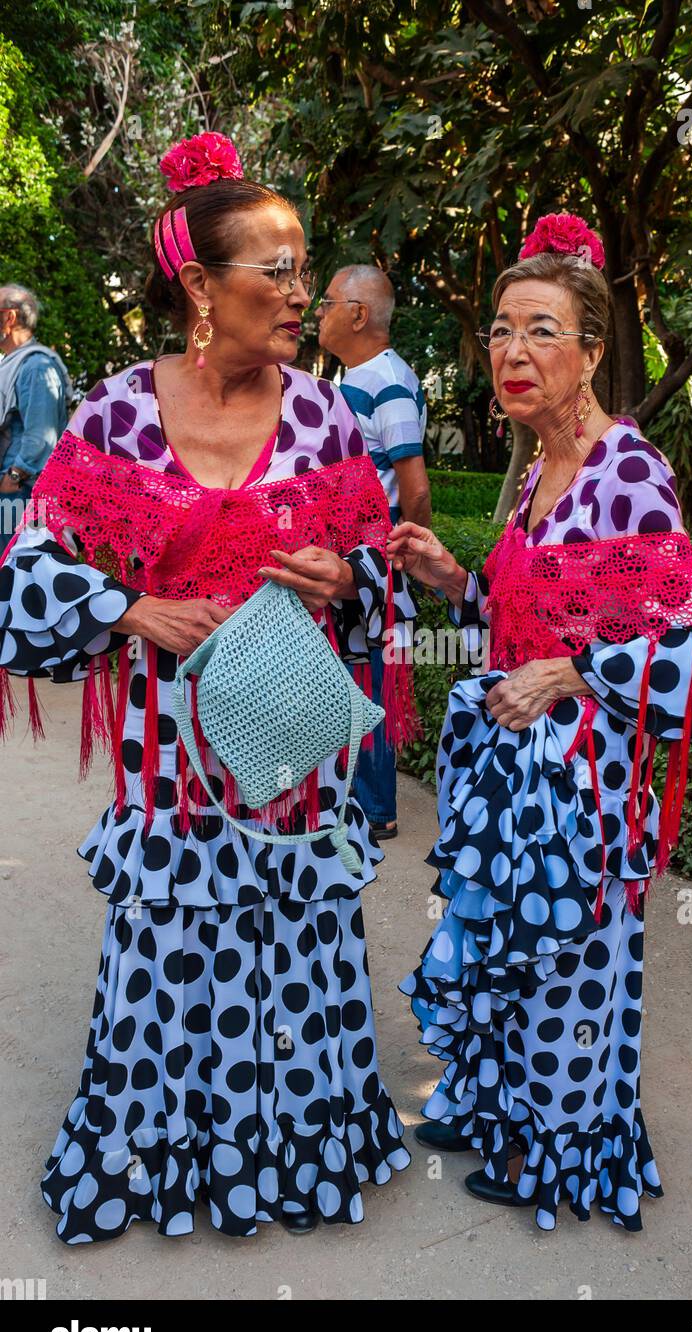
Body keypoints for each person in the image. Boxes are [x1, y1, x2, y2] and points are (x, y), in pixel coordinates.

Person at [0, 133, 417, 1244]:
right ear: (198, 284)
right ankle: (153, 1150)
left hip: (292, 765)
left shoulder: (326, 418)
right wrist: (130, 609)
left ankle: (296, 1150)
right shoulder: (115, 414)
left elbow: (382, 583)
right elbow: (31, 572)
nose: (298, 294)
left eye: (303, 268)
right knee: (173, 954)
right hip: (166, 767)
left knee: (294, 948)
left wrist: (346, 574)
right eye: (274, 270)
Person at [391, 212, 692, 1233]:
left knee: (569, 973)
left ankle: (559, 1152)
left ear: (592, 350)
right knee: (501, 948)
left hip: (585, 793)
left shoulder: (625, 471)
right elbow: (524, 616)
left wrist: (571, 674)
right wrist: (452, 578)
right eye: (502, 329)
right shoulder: (532, 470)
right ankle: (494, 1107)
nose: (513, 352)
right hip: (509, 782)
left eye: (542, 330)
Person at [316, 265, 429, 840]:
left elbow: (415, 487)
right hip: (349, 566)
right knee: (354, 679)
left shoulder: (385, 380)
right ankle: (355, 800)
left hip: (371, 567)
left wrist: (400, 559)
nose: (317, 312)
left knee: (370, 684)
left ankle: (374, 807)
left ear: (358, 314)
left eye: (327, 302)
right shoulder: (354, 380)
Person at [0, 285, 71, 551]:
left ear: (10, 318)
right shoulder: (13, 362)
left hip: (22, 491)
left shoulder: (37, 366)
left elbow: (42, 435)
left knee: (15, 569)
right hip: (11, 489)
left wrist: (13, 477)